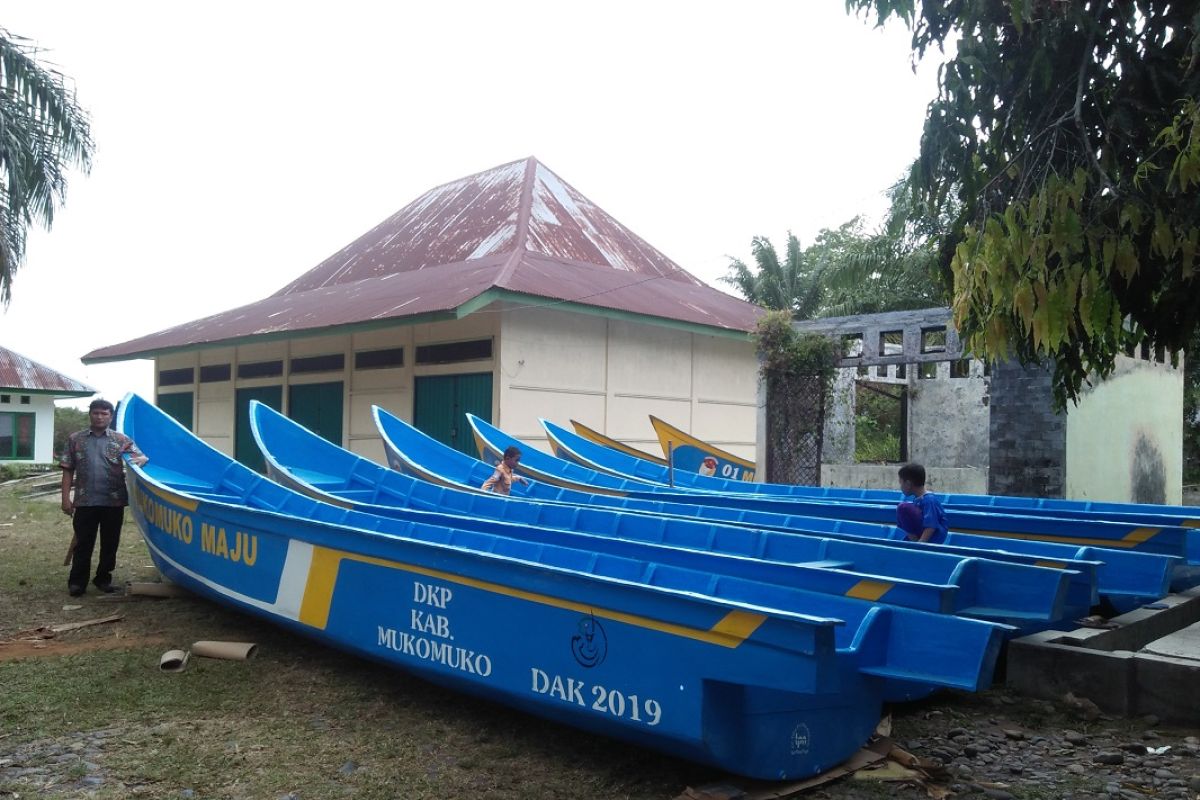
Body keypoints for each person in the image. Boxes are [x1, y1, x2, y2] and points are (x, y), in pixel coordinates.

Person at [60, 399, 149, 596]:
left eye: (104, 414)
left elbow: (141, 457)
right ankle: (77, 583)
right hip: (85, 501)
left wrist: (143, 458)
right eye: (96, 413)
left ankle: (103, 579)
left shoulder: (121, 439)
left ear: (110, 417)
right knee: (83, 543)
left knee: (110, 543)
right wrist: (66, 498)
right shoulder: (76, 439)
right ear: (90, 414)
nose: (99, 417)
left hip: (113, 502)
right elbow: (67, 470)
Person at [897, 462, 948, 544]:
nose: (900, 487)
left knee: (903, 508)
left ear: (908, 484)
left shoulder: (929, 500)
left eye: (901, 483)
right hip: (923, 536)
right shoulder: (918, 499)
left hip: (934, 538)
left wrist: (921, 544)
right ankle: (913, 541)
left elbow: (931, 526)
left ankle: (917, 543)